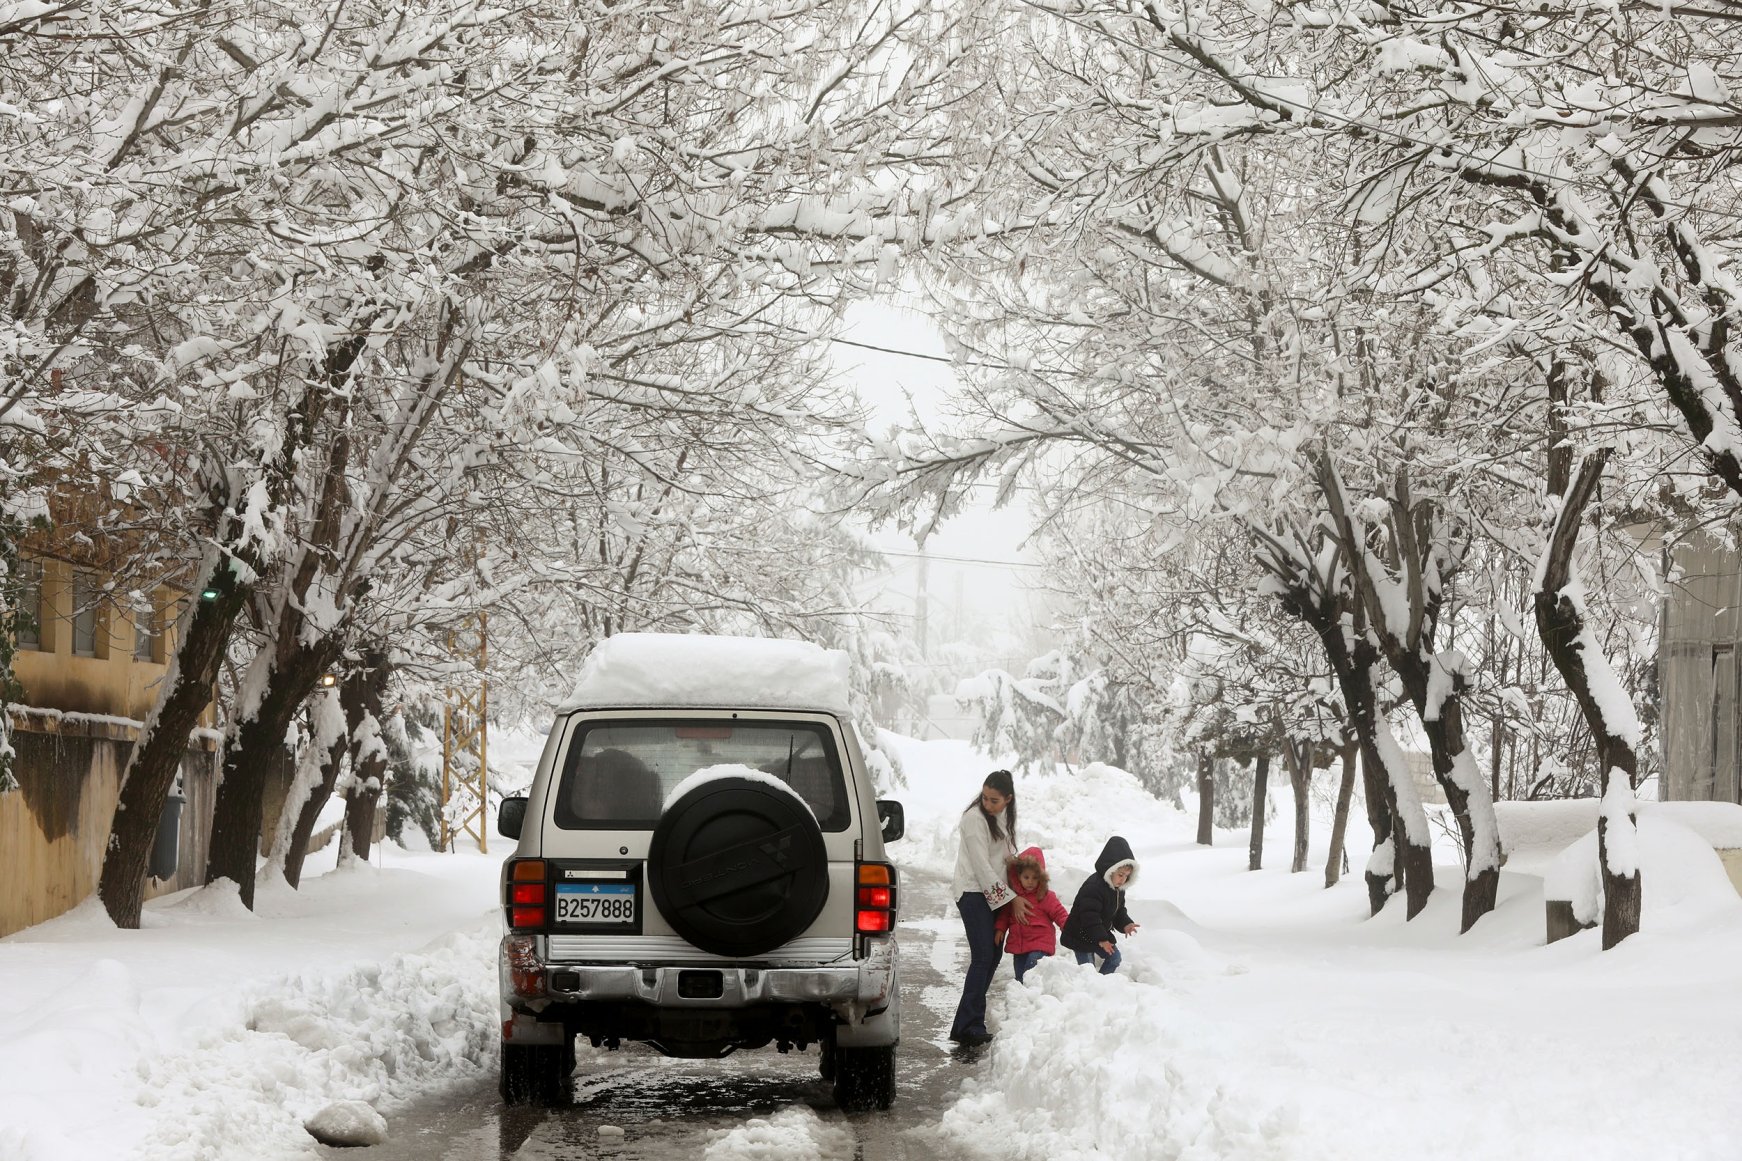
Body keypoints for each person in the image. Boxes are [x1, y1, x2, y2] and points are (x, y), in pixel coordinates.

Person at [948, 769, 1026, 1047]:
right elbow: (981, 867)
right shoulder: (973, 819)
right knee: (983, 956)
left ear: (1008, 799)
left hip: (991, 894)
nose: (987, 803)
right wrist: (1011, 898)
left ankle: (964, 1024)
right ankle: (970, 1025)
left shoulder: (1002, 818)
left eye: (994, 800)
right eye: (984, 797)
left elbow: (1002, 859)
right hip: (972, 891)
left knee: (992, 956)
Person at [1060, 835, 1140, 976]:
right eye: (1120, 874)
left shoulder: (1117, 889)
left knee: (1114, 958)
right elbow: (1090, 917)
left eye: (1127, 876)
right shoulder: (1094, 887)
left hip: (1098, 932)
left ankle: (1102, 984)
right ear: (1110, 869)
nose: (1123, 879)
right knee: (1088, 970)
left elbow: (1119, 910)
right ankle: (1090, 988)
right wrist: (1102, 940)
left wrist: (1126, 924)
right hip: (1081, 934)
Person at [994, 846, 1070, 983]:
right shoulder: (1013, 898)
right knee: (1020, 978)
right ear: (1018, 877)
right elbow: (1004, 915)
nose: (1030, 881)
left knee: (1031, 971)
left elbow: (1059, 913)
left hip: (1040, 943)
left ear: (1041, 878)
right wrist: (1000, 929)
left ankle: (1034, 994)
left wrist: (1069, 928)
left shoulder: (1045, 896)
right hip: (1020, 945)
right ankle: (1025, 1000)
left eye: (1035, 878)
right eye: (1026, 877)